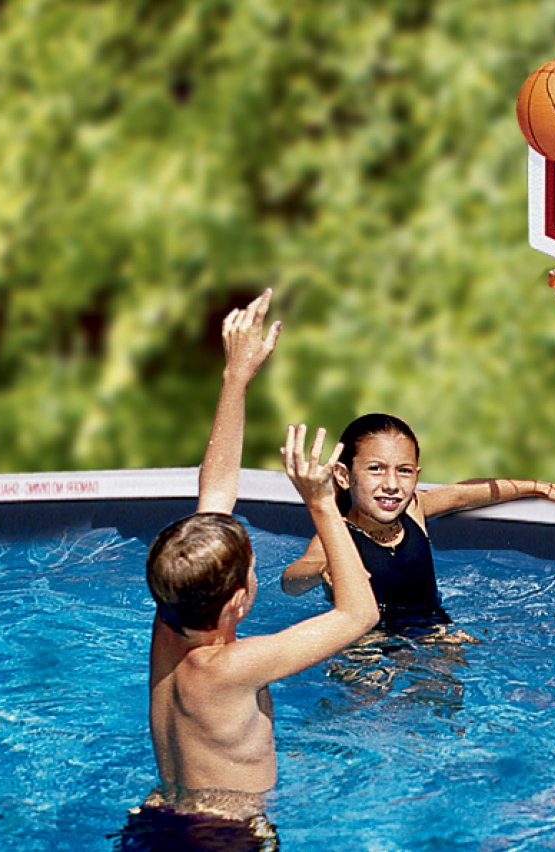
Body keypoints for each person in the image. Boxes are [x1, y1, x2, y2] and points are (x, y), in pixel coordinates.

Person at [121, 290, 378, 849]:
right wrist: (321, 504)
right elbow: (359, 612)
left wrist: (236, 376)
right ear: (238, 601)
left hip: (158, 817)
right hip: (222, 838)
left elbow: (214, 499)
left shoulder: (169, 620)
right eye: (253, 566)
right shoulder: (230, 667)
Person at [281, 412, 555, 636]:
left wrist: (536, 486)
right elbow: (291, 581)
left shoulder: (415, 508)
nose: (391, 484)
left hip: (431, 628)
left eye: (404, 471)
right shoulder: (337, 536)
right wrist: (321, 571)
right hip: (365, 642)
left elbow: (463, 495)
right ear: (344, 476)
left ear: (417, 473)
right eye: (375, 469)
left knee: (451, 693)